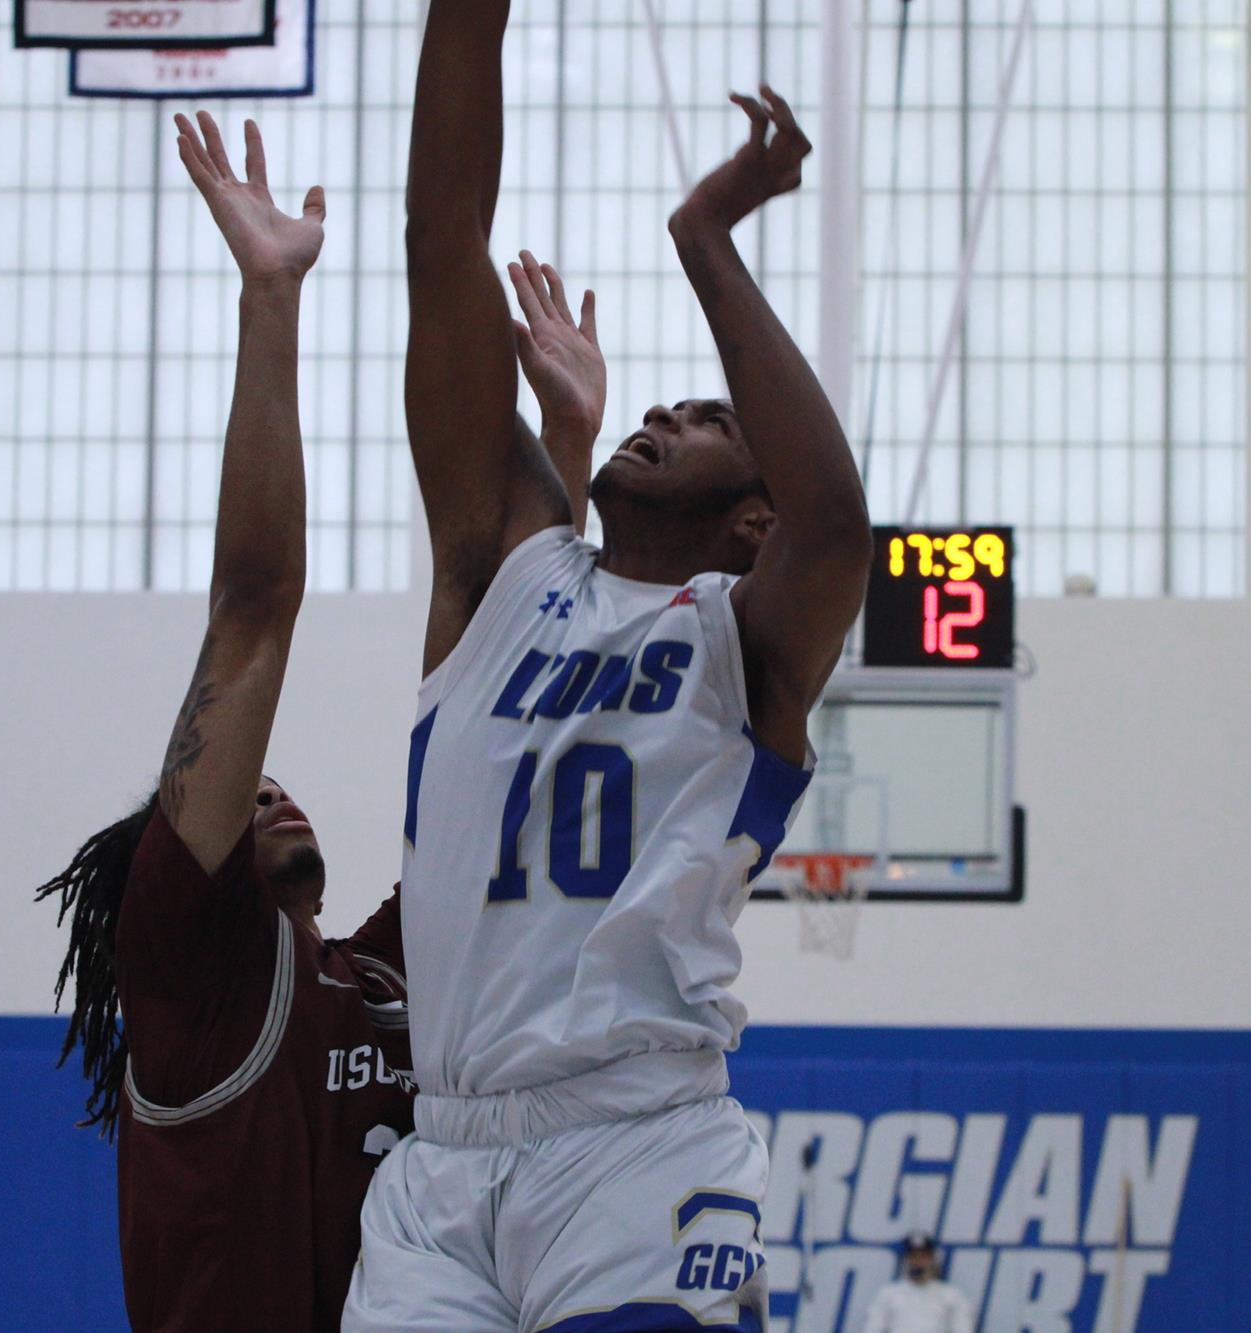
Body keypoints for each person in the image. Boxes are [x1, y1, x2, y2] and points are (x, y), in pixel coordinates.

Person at [34, 110, 607, 1332]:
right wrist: (270, 299)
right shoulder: (193, 980)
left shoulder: (385, 970)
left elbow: (498, 708)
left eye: (267, 784)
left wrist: (566, 449)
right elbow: (253, 607)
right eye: (241, 796)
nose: (267, 786)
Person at [345, 1, 872, 1328]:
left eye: (702, 420)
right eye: (664, 402)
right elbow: (439, 242)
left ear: (749, 520)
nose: (656, 412)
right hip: (440, 1161)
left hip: (640, 1143)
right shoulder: (499, 570)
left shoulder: (744, 636)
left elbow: (834, 520)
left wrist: (706, 242)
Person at [860, 1234, 975, 1333]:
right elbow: (872, 1329)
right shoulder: (888, 1294)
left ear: (933, 1260)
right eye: (913, 1256)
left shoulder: (952, 1295)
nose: (918, 1262)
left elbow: (963, 1329)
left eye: (923, 1257)